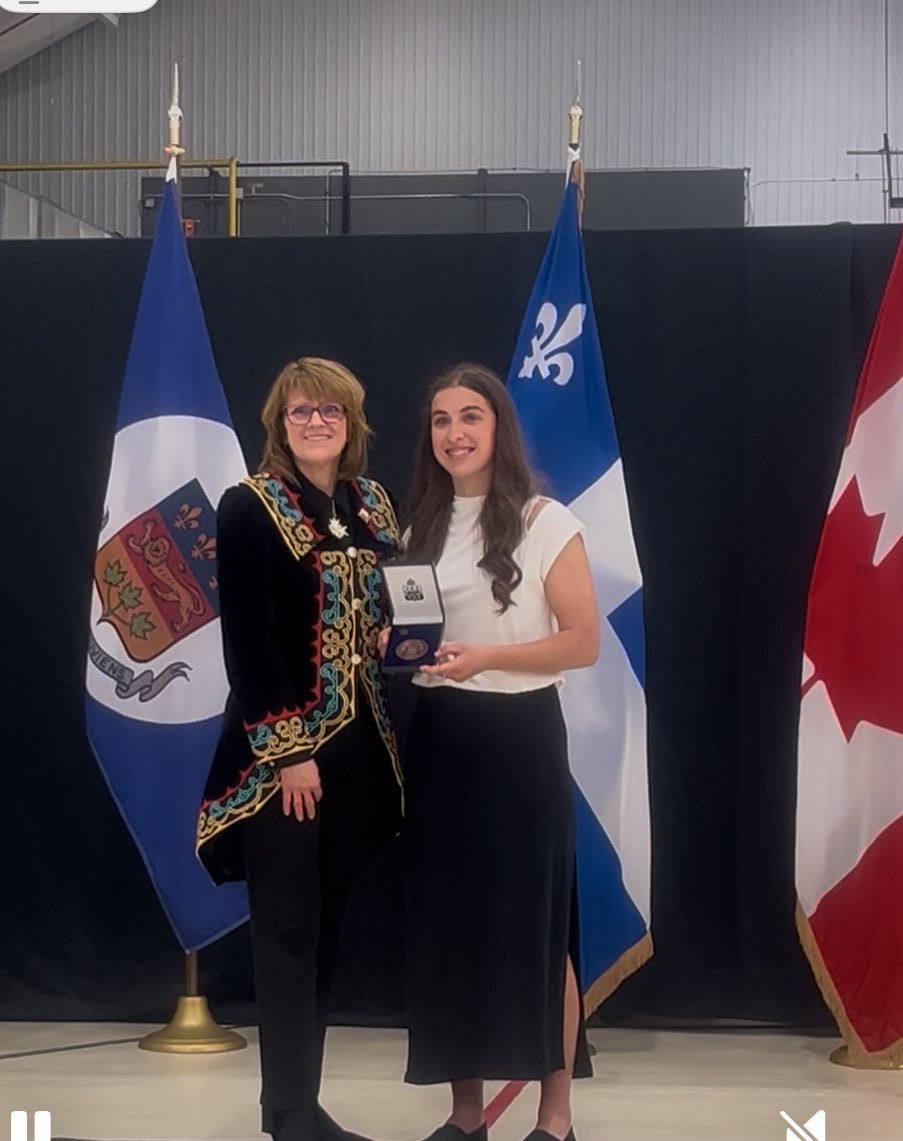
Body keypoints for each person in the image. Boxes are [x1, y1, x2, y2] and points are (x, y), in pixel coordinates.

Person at [196, 357, 403, 1141]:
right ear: (278, 425)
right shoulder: (248, 506)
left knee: (325, 933)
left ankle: (295, 1106)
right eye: (300, 411)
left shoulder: (371, 503)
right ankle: (289, 1114)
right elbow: (247, 643)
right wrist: (288, 753)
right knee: (286, 933)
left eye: (330, 411)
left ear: (351, 422)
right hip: (284, 761)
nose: (316, 422)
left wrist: (398, 635)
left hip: (361, 750)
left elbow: (393, 601)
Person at [402, 363, 599, 1141]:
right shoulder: (417, 528)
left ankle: (554, 1118)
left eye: (469, 416)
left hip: (521, 743)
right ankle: (464, 1115)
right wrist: (397, 649)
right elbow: (412, 635)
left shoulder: (545, 520)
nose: (454, 432)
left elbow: (581, 641)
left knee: (537, 930)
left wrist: (486, 656)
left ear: (497, 428)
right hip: (441, 741)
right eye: (441, 419)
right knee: (450, 930)